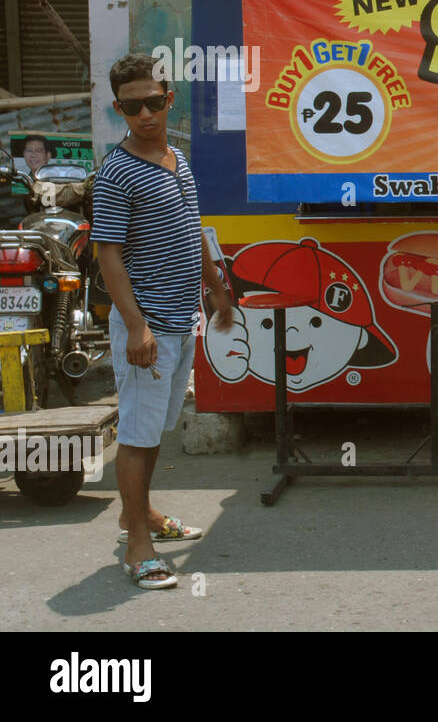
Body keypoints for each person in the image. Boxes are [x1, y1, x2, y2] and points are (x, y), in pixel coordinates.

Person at [93, 52, 234, 590]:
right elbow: (108, 253)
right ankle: (138, 547)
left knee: (155, 431)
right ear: (119, 110)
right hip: (148, 324)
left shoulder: (179, 158)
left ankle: (140, 515)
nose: (146, 114)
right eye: (133, 107)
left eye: (154, 102)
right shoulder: (117, 172)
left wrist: (217, 290)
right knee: (135, 433)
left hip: (179, 319)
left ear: (169, 98)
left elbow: (189, 229)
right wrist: (135, 326)